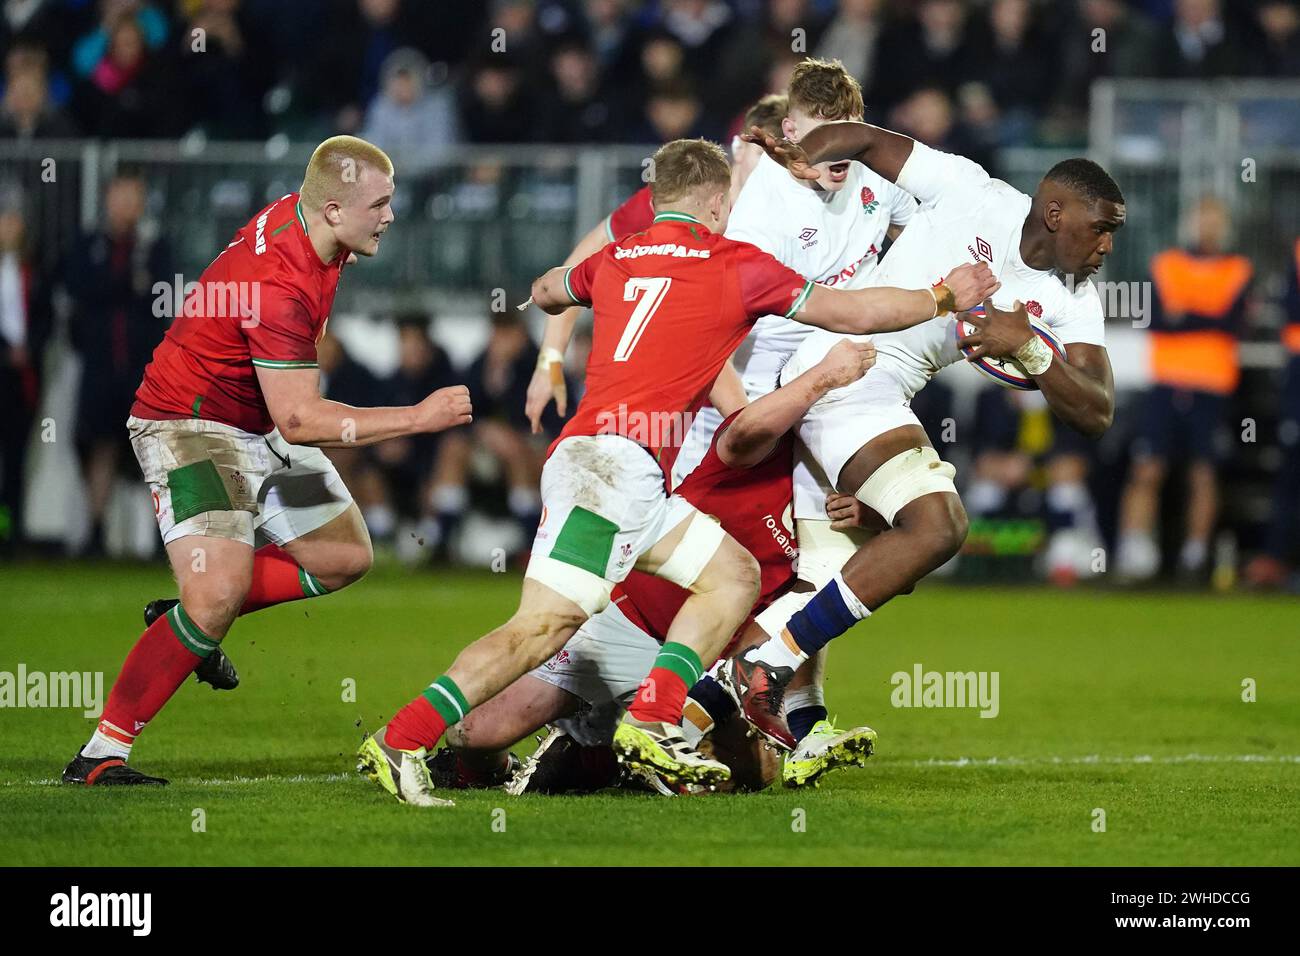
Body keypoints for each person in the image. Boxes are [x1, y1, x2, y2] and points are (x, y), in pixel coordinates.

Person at [357, 136, 997, 807]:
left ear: (657, 200)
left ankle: (654, 719)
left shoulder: (615, 257)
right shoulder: (735, 265)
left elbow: (549, 288)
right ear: (718, 204)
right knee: (540, 628)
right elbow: (858, 313)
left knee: (730, 577)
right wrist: (944, 293)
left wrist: (561, 302)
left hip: (622, 474)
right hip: (607, 473)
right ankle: (403, 739)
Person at [61, 136, 473, 787]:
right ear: (334, 209)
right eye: (381, 203)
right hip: (189, 427)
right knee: (217, 593)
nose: (390, 216)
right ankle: (99, 754)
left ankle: (187, 618)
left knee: (343, 557)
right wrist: (417, 418)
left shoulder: (311, 224)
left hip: (255, 419)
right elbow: (301, 419)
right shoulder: (278, 281)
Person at [723, 114, 1124, 737]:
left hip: (870, 393)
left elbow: (1097, 411)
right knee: (937, 526)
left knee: (831, 572)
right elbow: (865, 138)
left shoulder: (1075, 299)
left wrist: (1033, 350)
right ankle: (770, 661)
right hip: (844, 368)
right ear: (1055, 214)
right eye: (1099, 231)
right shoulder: (971, 192)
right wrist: (803, 154)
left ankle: (780, 720)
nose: (1106, 248)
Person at [421, 340, 880, 795]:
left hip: (700, 657)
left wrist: (871, 516)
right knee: (475, 734)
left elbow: (818, 614)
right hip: (628, 619)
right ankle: (481, 766)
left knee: (750, 775)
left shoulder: (836, 514)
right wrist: (823, 375)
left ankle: (599, 757)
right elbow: (738, 421)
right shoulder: (759, 447)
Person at [1118, 197, 1251, 581]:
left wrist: (1186, 314)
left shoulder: (1238, 269)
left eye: (1215, 221)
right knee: (1147, 469)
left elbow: (1232, 324)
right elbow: (1159, 320)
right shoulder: (1166, 264)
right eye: (1202, 219)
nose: (1208, 228)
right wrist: (1206, 317)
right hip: (1166, 383)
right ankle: (1135, 550)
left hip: (1212, 386)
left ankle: (1195, 557)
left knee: (1204, 474)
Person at [64, 173, 171, 557]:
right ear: (107, 199)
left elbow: (161, 298)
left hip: (144, 367)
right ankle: (95, 530)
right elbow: (79, 290)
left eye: (134, 197)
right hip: (100, 364)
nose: (127, 204)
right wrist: (124, 286)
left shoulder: (154, 246)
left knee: (153, 448)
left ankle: (165, 535)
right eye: (121, 196)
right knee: (100, 444)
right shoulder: (88, 244)